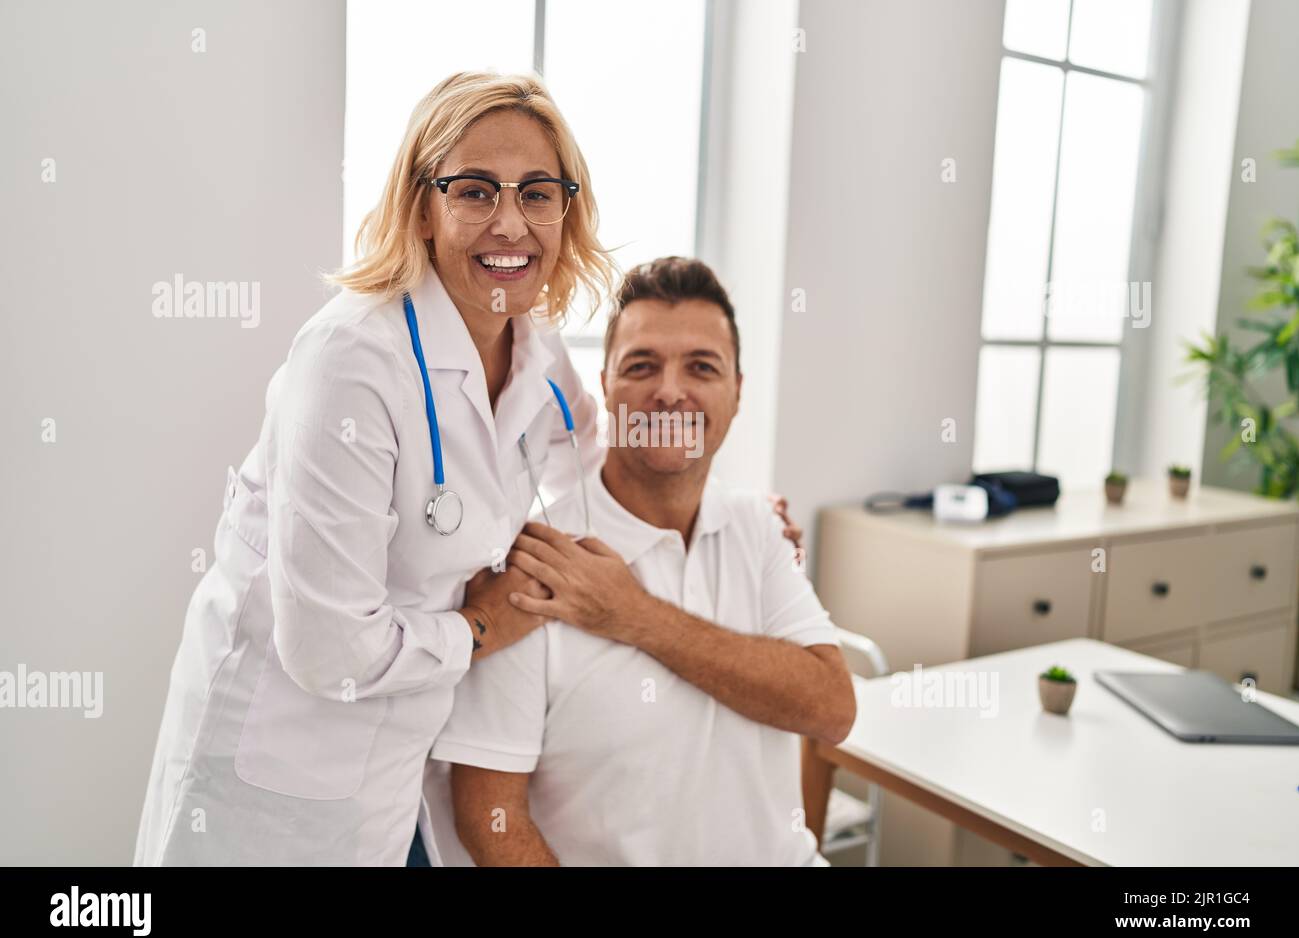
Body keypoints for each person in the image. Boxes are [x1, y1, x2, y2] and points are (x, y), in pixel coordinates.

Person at [133, 71, 617, 865]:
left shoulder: (537, 354)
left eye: (537, 193)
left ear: (567, 210)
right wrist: (482, 626)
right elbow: (328, 651)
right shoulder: (353, 358)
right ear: (423, 207)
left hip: (398, 776)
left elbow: (595, 473)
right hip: (275, 784)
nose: (510, 223)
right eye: (473, 191)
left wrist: (736, 511)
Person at [424, 257, 857, 866]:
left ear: (737, 392)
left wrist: (635, 615)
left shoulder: (757, 526)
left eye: (702, 367)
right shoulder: (539, 561)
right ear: (606, 386)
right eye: (642, 365)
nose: (671, 390)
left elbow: (831, 708)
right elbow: (489, 820)